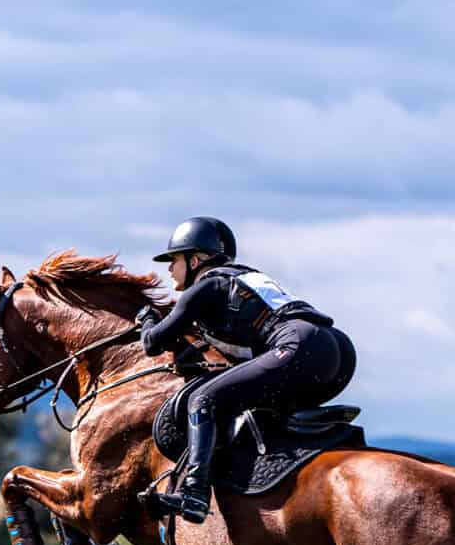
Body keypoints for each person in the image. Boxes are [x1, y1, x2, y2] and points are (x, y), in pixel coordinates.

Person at [136, 217, 356, 523]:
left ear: (196, 259)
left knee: (202, 400)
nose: (170, 269)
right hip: (337, 350)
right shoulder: (246, 278)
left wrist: (146, 318)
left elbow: (151, 344)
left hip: (299, 345)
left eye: (174, 260)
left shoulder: (205, 287)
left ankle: (194, 493)